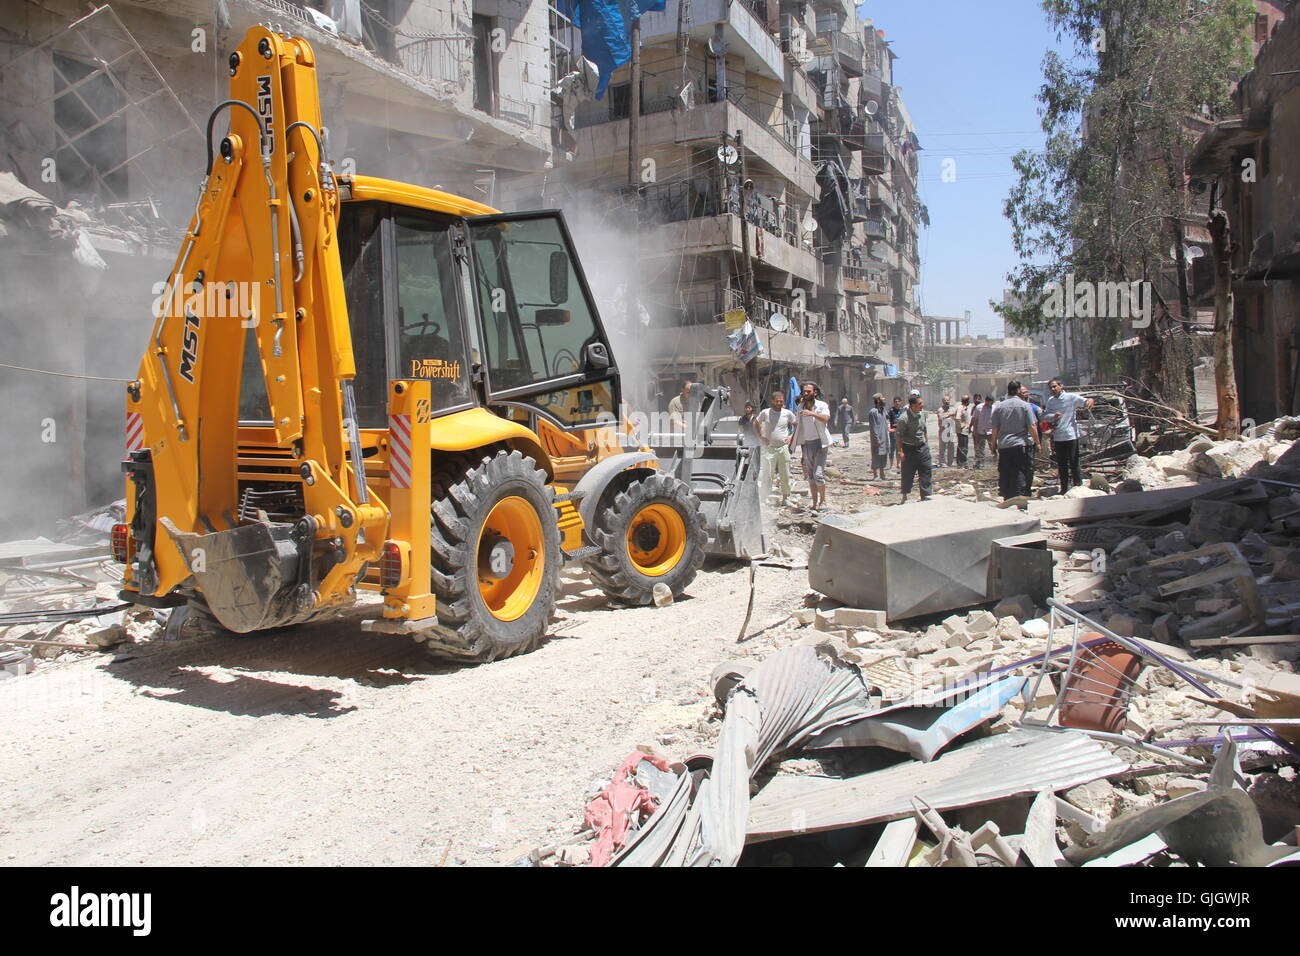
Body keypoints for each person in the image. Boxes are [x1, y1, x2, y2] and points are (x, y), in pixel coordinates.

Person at [990, 380, 1040, 500]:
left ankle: (1006, 496)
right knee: (1020, 471)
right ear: (1018, 391)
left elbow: (995, 429)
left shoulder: (999, 406)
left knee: (1005, 471)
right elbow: (1032, 426)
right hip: (1020, 445)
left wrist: (993, 445)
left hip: (1004, 446)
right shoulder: (1025, 406)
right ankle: (1019, 498)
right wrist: (1037, 443)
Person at [1043, 379, 1095, 493]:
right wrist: (1053, 416)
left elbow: (1085, 401)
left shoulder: (1071, 397)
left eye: (1054, 386)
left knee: (1073, 461)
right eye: (1051, 387)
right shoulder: (1051, 401)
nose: (1053, 389)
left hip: (1070, 435)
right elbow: (1045, 416)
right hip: (1058, 436)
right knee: (1062, 464)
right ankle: (1064, 488)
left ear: (1061, 386)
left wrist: (1090, 401)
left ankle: (1078, 486)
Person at [794, 381, 832, 512]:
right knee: (810, 475)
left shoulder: (822, 405)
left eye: (808, 392)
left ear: (815, 392)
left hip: (820, 443)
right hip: (807, 444)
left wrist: (812, 414)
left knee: (818, 475)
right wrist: (793, 439)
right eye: (804, 391)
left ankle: (823, 500)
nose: (805, 394)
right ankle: (815, 503)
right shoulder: (800, 407)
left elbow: (826, 419)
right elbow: (798, 426)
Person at [756, 391, 796, 505]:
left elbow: (796, 424)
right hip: (770, 448)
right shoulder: (766, 412)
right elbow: (756, 423)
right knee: (768, 474)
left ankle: (785, 498)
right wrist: (761, 437)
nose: (779, 403)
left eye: (781, 401)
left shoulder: (787, 413)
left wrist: (791, 436)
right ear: (772, 401)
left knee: (785, 473)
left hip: (783, 448)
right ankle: (764, 498)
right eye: (777, 401)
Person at [896, 392, 932, 502]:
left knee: (926, 470)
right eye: (920, 403)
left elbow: (924, 430)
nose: (922, 405)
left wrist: (927, 444)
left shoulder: (923, 414)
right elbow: (899, 436)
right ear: (912, 405)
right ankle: (905, 495)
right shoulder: (903, 419)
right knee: (907, 473)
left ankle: (926, 495)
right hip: (909, 449)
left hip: (922, 448)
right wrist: (900, 452)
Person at [866, 393, 890, 481]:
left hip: (884, 436)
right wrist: (877, 438)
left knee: (884, 454)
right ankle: (875, 475)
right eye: (882, 399)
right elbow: (873, 426)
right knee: (876, 455)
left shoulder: (883, 410)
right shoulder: (873, 412)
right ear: (878, 400)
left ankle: (882, 474)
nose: (884, 400)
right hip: (877, 438)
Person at [971, 393, 995, 467]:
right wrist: (974, 430)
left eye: (992, 402)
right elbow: (975, 419)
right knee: (980, 448)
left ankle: (996, 461)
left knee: (993, 447)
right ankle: (980, 463)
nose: (991, 404)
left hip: (990, 431)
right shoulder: (979, 408)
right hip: (980, 431)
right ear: (986, 401)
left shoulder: (994, 408)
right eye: (990, 402)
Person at [937, 395, 959, 468]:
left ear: (950, 401)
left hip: (951, 430)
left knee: (951, 447)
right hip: (943, 431)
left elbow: (957, 415)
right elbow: (941, 418)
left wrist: (951, 414)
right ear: (943, 401)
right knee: (942, 448)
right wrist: (949, 414)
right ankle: (942, 462)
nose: (946, 402)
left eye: (948, 400)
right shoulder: (940, 409)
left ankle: (950, 462)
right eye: (945, 400)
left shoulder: (953, 409)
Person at [886, 396, 904, 471]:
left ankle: (898, 464)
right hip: (893, 432)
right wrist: (889, 429)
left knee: (899, 448)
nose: (897, 403)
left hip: (901, 432)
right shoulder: (890, 411)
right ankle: (891, 464)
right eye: (895, 401)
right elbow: (887, 421)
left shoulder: (902, 411)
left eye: (898, 401)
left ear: (900, 402)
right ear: (893, 403)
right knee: (892, 448)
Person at [956, 395, 972, 467]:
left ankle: (961, 462)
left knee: (963, 446)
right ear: (966, 401)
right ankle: (962, 462)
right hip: (962, 431)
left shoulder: (965, 408)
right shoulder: (961, 408)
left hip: (965, 431)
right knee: (963, 447)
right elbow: (957, 418)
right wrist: (961, 426)